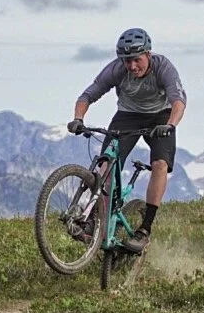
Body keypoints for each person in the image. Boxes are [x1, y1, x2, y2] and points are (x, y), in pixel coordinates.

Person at [67, 27, 187, 255]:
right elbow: (87, 95)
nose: (132, 66)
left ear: (148, 54)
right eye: (127, 61)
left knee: (160, 164)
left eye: (137, 60)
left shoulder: (164, 67)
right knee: (106, 167)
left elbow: (178, 100)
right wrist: (78, 119)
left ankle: (145, 228)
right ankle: (95, 219)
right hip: (127, 116)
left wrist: (170, 125)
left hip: (161, 115)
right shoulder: (116, 70)